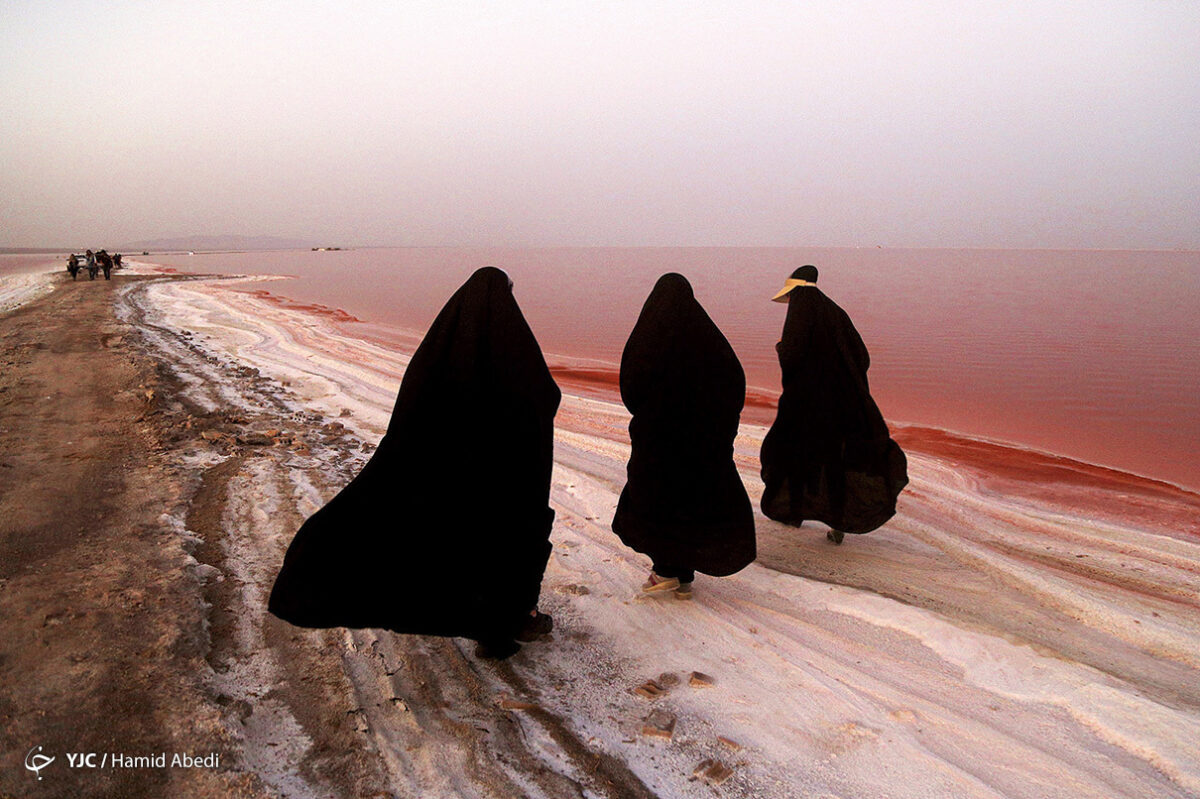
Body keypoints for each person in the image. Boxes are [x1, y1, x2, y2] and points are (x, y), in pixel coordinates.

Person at [268, 267, 561, 659]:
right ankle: (506, 625)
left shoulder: (436, 353)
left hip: (455, 477)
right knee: (507, 546)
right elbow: (543, 397)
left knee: (463, 546)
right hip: (505, 480)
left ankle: (488, 624)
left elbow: (410, 414)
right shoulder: (517, 353)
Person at [612, 273, 756, 599]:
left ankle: (665, 572)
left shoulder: (649, 339)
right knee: (693, 503)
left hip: (659, 443)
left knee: (658, 503)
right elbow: (736, 387)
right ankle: (683, 574)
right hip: (705, 446)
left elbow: (631, 387)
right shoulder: (713, 342)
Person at [760, 265, 908, 543]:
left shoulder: (801, 311)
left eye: (789, 296)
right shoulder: (836, 312)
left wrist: (781, 348)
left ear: (795, 292)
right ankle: (840, 522)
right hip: (843, 406)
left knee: (793, 455)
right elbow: (861, 356)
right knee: (836, 461)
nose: (789, 302)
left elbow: (792, 354)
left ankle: (793, 513)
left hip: (807, 406)